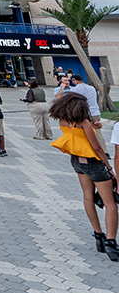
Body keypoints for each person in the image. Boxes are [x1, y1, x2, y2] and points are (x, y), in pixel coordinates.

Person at [49, 92, 118, 261]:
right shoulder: (83, 122)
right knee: (110, 204)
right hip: (93, 163)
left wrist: (93, 127)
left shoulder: (63, 120)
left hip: (77, 162)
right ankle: (111, 242)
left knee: (88, 198)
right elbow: (97, 148)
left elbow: (77, 136)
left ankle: (99, 236)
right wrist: (109, 168)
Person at [61, 75, 106, 150]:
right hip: (95, 112)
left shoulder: (74, 90)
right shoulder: (92, 88)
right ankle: (104, 150)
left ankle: (90, 149)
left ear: (75, 81)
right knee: (97, 131)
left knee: (85, 132)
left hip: (84, 114)